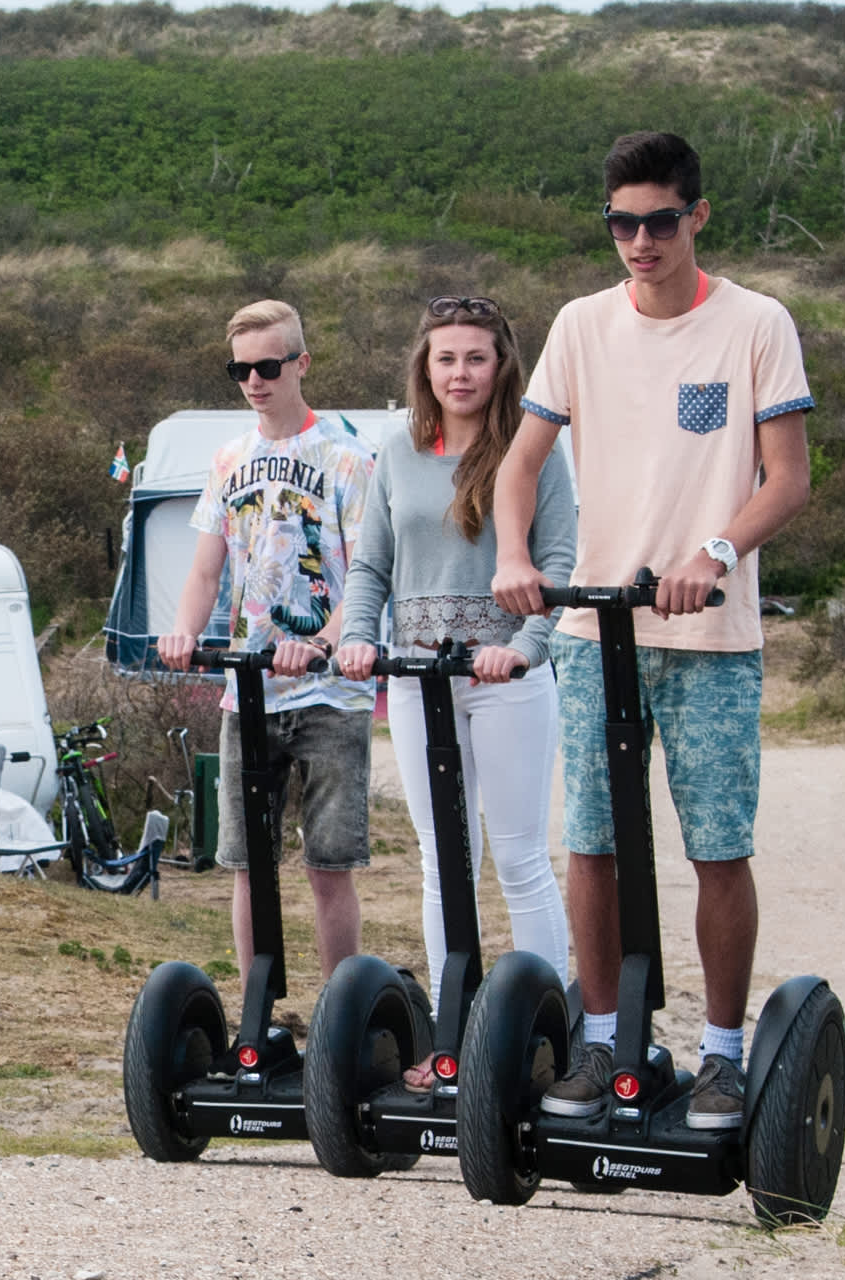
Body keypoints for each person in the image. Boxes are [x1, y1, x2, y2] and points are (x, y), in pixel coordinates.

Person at [491, 131, 813, 1130]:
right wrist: (514, 556)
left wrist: (713, 552)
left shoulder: (756, 323)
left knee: (717, 844)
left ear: (697, 217)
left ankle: (722, 1055)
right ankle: (602, 1040)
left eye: (659, 221)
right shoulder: (582, 325)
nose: (640, 240)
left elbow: (788, 479)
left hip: (710, 636)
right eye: (622, 222)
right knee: (588, 843)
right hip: (596, 630)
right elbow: (519, 464)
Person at [336, 295, 575, 1092]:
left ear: (502, 364)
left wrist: (525, 649)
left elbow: (561, 562)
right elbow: (370, 565)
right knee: (444, 863)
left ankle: (546, 1035)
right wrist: (358, 636)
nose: (460, 372)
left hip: (502, 680)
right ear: (425, 367)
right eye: (446, 358)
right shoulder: (397, 450)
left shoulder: (531, 452)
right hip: (417, 682)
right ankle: (453, 1038)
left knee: (516, 857)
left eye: (476, 357)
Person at [155, 299, 377, 989]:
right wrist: (187, 630)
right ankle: (260, 1008)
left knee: (328, 863)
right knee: (249, 861)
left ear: (301, 364)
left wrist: (327, 644)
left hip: (330, 689)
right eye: (240, 369)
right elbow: (205, 567)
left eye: (269, 366)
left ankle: (343, 1012)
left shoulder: (347, 458)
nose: (255, 381)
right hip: (247, 688)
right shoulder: (227, 460)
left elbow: (369, 573)